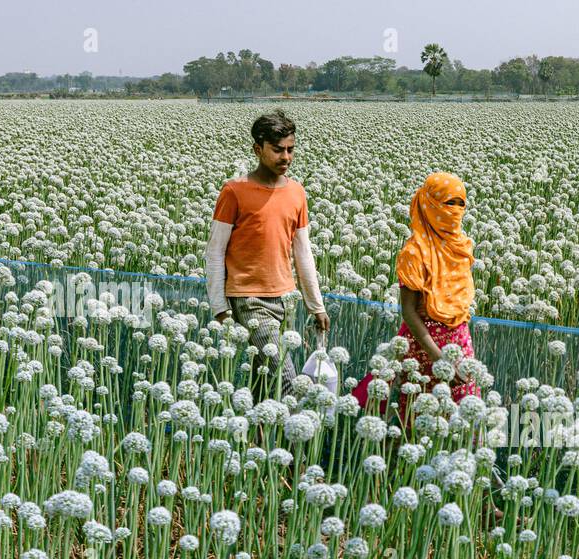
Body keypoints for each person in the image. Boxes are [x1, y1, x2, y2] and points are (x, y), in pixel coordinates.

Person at [205, 109, 329, 406]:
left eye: (290, 149)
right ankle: (291, 449)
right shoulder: (234, 191)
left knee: (264, 385)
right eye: (277, 150)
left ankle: (257, 444)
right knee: (287, 383)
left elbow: (303, 252)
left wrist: (316, 306)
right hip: (248, 301)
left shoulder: (297, 193)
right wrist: (220, 308)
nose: (285, 157)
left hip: (285, 300)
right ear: (257, 149)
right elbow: (215, 251)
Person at [354, 171, 481, 420]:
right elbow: (409, 312)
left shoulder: (461, 245)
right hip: (424, 349)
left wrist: (455, 354)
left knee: (464, 417)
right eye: (447, 204)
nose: (454, 211)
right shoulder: (415, 251)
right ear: (429, 205)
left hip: (461, 341)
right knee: (419, 416)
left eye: (460, 204)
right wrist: (438, 358)